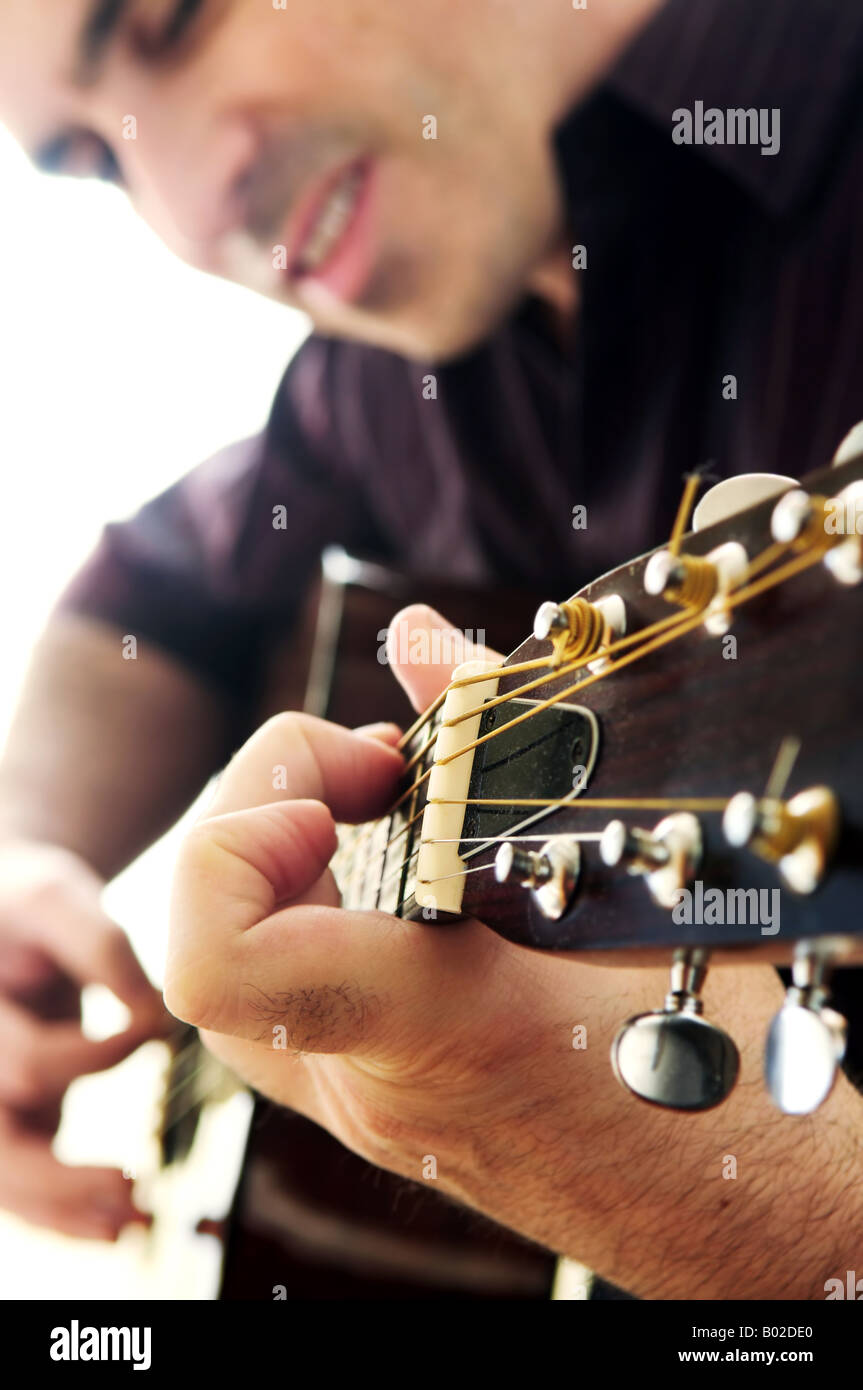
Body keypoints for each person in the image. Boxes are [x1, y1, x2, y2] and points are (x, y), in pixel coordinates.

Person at [0, 0, 861, 1297]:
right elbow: (161, 593)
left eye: (172, 21)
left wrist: (780, 1232)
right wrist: (21, 861)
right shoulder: (388, 383)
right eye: (97, 160)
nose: (186, 206)